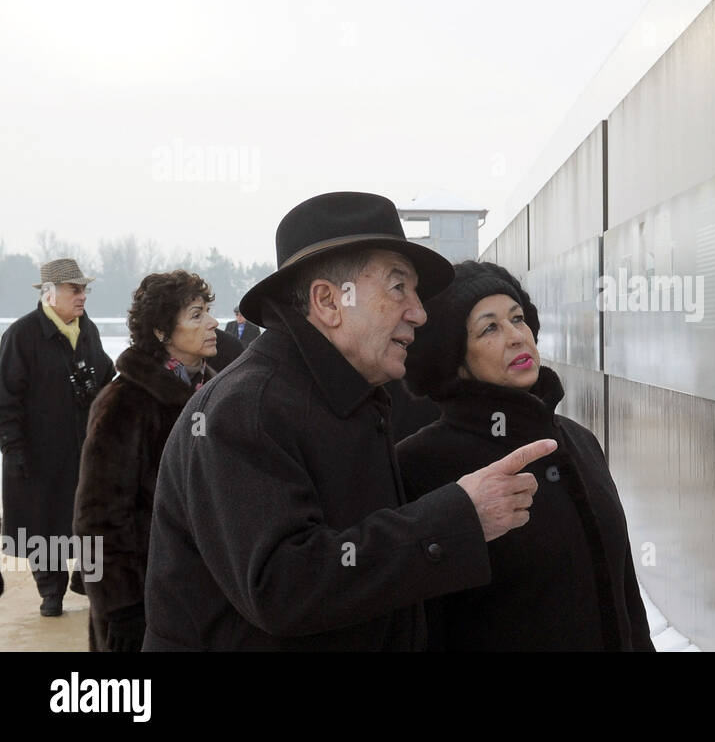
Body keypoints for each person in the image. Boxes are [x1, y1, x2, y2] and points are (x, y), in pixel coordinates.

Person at [143, 192, 550, 650]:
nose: (419, 312)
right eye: (399, 288)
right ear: (328, 302)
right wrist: (458, 518)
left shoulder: (353, 394)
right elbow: (282, 587)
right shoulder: (246, 410)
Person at [397, 261, 653, 651]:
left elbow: (626, 595)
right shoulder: (420, 464)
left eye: (518, 319)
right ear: (455, 359)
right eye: (490, 328)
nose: (517, 337)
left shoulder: (579, 441)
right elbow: (423, 623)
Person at [73, 271, 219, 652]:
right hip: (144, 598)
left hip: (212, 598)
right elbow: (98, 517)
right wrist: (120, 607)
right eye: (197, 314)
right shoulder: (125, 402)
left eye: (208, 312)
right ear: (161, 331)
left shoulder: (219, 395)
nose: (212, 323)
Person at [0, 258, 114, 617]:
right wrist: (13, 448)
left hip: (84, 449)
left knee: (89, 519)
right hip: (38, 453)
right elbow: (5, 399)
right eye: (74, 289)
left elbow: (108, 379)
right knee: (44, 524)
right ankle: (51, 592)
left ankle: (88, 583)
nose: (82, 296)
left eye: (84, 289)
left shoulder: (88, 330)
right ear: (50, 295)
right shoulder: (21, 335)